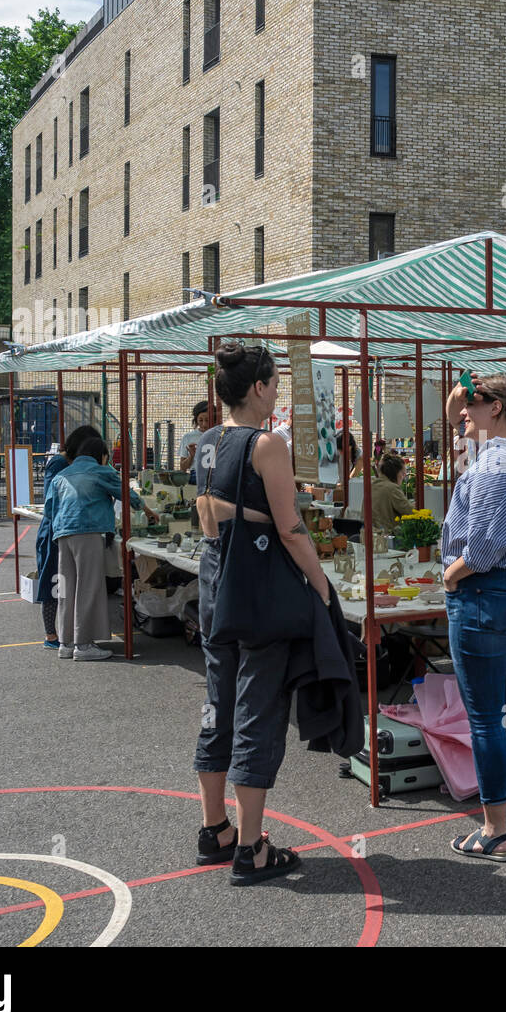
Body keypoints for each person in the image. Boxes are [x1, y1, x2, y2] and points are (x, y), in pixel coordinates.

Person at [193, 343, 332, 886]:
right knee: (258, 709)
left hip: (213, 581)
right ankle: (251, 848)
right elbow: (291, 528)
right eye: (274, 384)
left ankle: (215, 830)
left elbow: (212, 517)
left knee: (216, 704)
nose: (276, 393)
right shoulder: (266, 444)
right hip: (256, 592)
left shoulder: (207, 440)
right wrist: (320, 586)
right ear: (258, 388)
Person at [443, 373, 506, 861]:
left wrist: (452, 575)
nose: (463, 413)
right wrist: (466, 391)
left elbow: (486, 544)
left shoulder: (496, 464)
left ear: (498, 410)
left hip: (487, 590)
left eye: (473, 405)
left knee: (485, 718)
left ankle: (494, 830)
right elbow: (456, 417)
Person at [46, 436, 153, 661]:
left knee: (67, 588)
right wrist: (148, 511)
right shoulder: (100, 471)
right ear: (101, 455)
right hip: (88, 531)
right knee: (89, 586)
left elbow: (49, 508)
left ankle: (66, 643)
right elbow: (127, 494)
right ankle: (83, 645)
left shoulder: (62, 474)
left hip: (62, 533)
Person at [33, 426, 102, 649]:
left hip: (67, 529)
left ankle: (66, 633)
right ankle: (51, 635)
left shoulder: (75, 464)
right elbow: (52, 497)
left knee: (67, 583)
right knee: (55, 583)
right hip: (55, 531)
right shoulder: (59, 463)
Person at [372, 453, 413, 533]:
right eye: (403, 473)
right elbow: (410, 511)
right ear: (396, 473)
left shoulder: (373, 485)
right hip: (386, 537)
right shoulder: (392, 488)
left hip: (369, 535)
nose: (404, 477)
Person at [179, 401, 215, 474]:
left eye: (207, 420)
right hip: (196, 475)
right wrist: (191, 456)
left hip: (215, 475)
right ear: (196, 420)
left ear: (214, 419)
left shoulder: (220, 435)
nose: (204, 424)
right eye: (200, 420)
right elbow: (183, 468)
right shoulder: (188, 437)